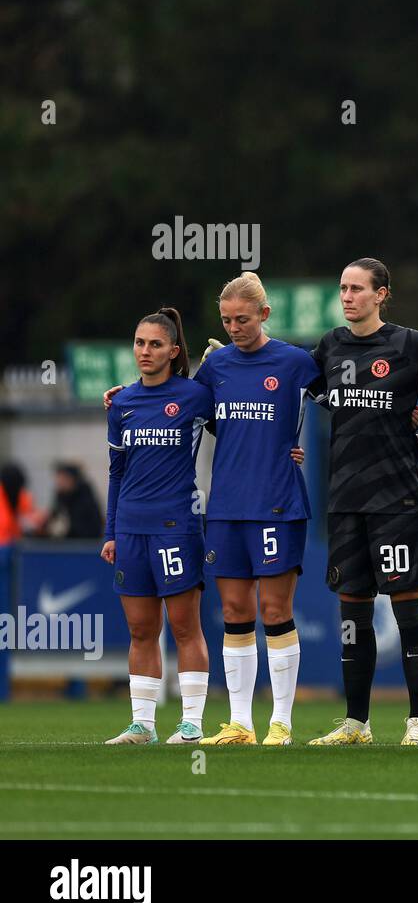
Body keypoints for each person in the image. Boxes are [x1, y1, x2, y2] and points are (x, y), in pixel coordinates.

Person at [104, 274, 315, 745]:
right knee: (236, 612)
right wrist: (122, 393)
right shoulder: (214, 368)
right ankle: (239, 722)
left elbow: (344, 400)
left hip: (277, 502)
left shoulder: (297, 362)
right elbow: (169, 399)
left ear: (265, 314)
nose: (234, 326)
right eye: (226, 320)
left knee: (275, 610)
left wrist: (288, 444)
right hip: (224, 507)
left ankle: (280, 721)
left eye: (242, 318)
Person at [306, 258, 418, 746]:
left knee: (408, 610)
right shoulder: (329, 347)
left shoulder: (411, 345)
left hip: (398, 499)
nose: (347, 296)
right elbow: (298, 390)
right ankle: (355, 723)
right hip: (345, 500)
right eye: (342, 288)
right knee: (352, 615)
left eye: (357, 288)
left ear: (382, 294)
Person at [100, 308, 212, 745]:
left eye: (155, 344)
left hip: (176, 527)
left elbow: (244, 424)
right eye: (140, 343)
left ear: (173, 351)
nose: (145, 351)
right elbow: (115, 472)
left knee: (185, 628)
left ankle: (191, 724)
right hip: (130, 530)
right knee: (141, 630)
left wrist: (287, 450)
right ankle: (142, 725)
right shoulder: (121, 403)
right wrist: (110, 531)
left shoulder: (195, 396)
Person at [42, 463, 103, 539]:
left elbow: (87, 527)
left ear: (72, 479)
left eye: (63, 479)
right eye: (58, 479)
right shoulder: (61, 495)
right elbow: (52, 518)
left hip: (87, 542)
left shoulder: (84, 497)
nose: (59, 482)